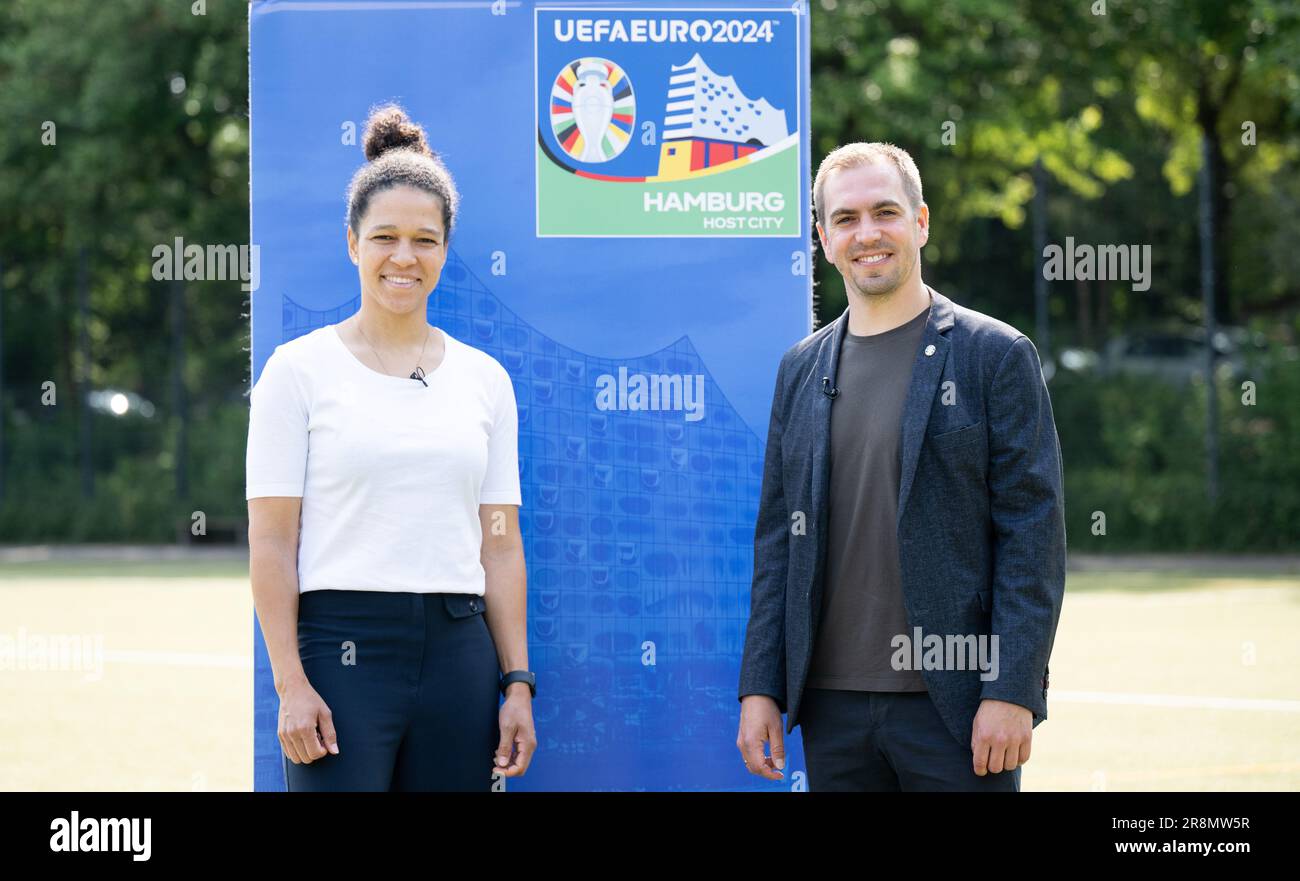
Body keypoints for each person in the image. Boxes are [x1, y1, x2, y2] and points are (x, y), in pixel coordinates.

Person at [736, 142, 1066, 791]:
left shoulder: (994, 356)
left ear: (920, 221)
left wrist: (1013, 688)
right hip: (830, 709)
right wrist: (760, 686)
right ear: (824, 239)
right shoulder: (799, 369)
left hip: (958, 707)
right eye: (846, 218)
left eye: (885, 212)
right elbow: (778, 541)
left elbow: (1033, 533)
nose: (868, 233)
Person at [246, 104, 537, 791]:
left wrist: (517, 682)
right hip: (340, 654)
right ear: (352, 243)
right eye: (384, 237)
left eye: (424, 239)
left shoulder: (485, 379)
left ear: (444, 249)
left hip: (459, 658)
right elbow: (270, 540)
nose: (404, 257)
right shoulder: (297, 370)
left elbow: (499, 543)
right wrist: (290, 682)